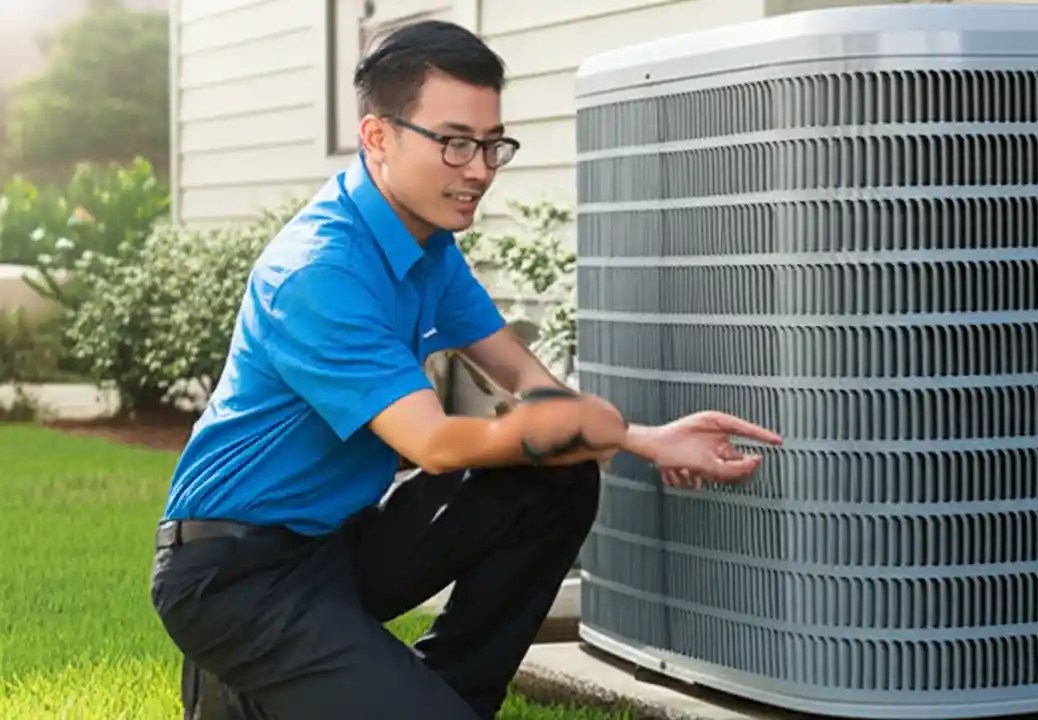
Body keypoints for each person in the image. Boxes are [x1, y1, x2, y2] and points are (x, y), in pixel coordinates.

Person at [148, 18, 783, 720]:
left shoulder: (427, 247)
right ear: (377, 137)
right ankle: (254, 682)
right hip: (235, 575)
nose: (478, 169)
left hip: (334, 548)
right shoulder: (318, 272)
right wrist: (562, 427)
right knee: (550, 449)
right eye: (454, 142)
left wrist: (642, 438)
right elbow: (436, 444)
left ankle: (439, 697)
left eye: (491, 145)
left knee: (559, 476)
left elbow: (529, 383)